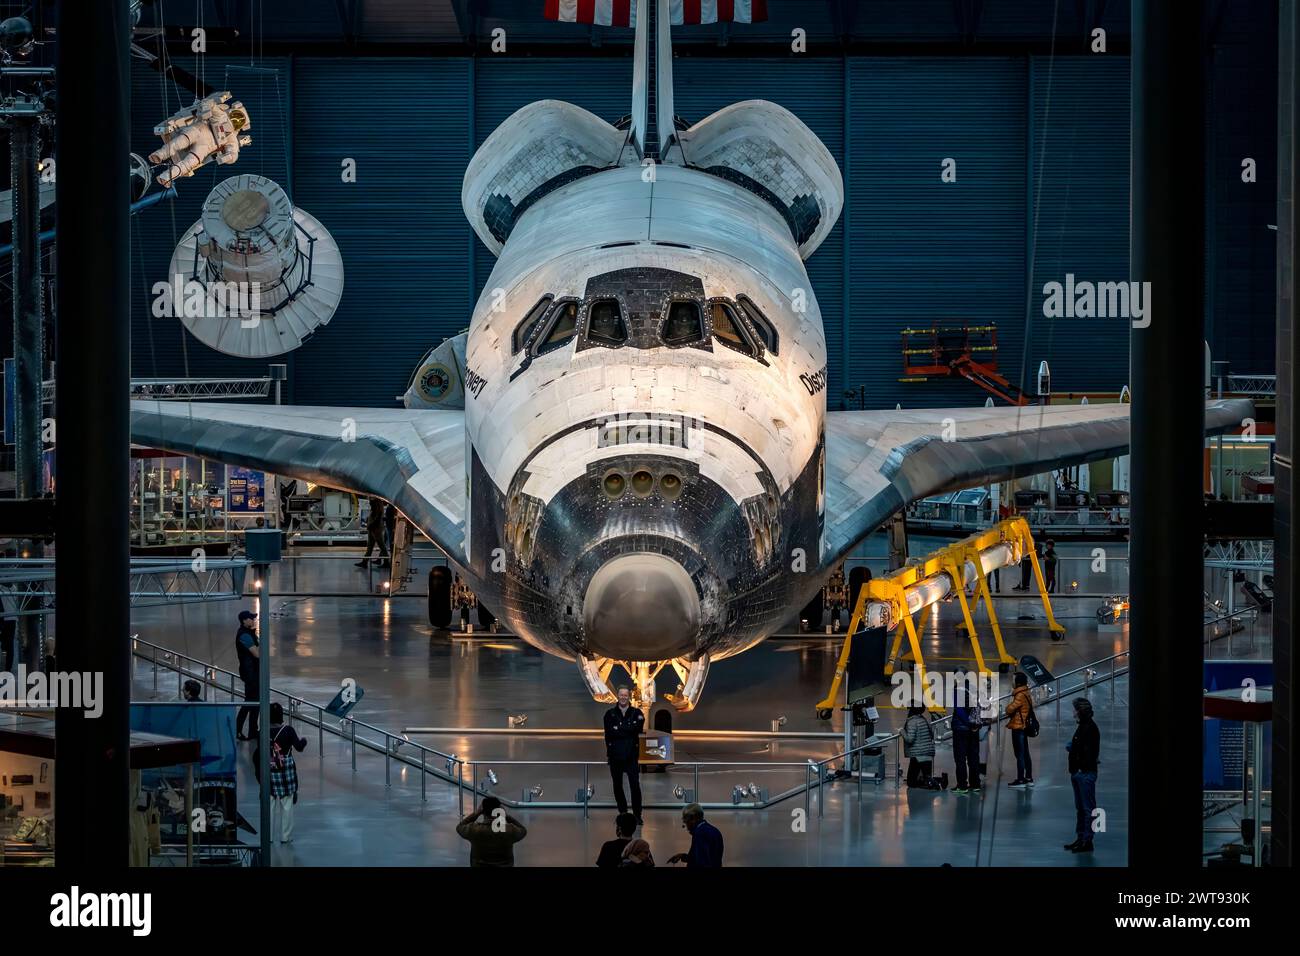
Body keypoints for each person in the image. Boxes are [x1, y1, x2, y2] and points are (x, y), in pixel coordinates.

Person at [254, 702, 308, 843]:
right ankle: (286, 836)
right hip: (286, 771)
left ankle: (269, 836)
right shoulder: (288, 730)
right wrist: (304, 741)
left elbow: (259, 753)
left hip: (268, 770)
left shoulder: (262, 732)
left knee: (269, 804)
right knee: (287, 804)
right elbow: (299, 747)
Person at [603, 685, 645, 824]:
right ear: (618, 696)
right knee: (617, 785)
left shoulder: (637, 713)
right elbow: (609, 733)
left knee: (635, 786)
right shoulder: (610, 714)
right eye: (621, 695)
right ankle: (623, 813)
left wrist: (619, 728)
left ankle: (637, 815)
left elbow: (637, 728)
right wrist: (627, 729)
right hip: (615, 756)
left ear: (629, 696)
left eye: (625, 695)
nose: (623, 697)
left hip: (631, 757)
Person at [1065, 697, 1101, 853]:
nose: (1073, 711)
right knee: (1081, 808)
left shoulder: (1089, 728)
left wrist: (1079, 767)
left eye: (1075, 709)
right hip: (1079, 773)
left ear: (1080, 711)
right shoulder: (1084, 726)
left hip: (1084, 773)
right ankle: (1081, 838)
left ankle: (1088, 840)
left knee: (1088, 808)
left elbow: (1088, 752)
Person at [456, 796, 527, 867]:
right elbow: (523, 830)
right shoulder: (509, 830)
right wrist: (506, 816)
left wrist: (476, 814)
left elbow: (460, 827)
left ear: (482, 811)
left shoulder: (474, 830)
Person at [950, 678, 982, 794]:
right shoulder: (974, 689)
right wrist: (974, 724)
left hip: (960, 729)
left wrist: (967, 723)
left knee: (960, 758)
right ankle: (975, 784)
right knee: (973, 757)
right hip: (974, 729)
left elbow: (958, 710)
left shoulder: (957, 690)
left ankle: (962, 785)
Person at [234, 610, 260, 740]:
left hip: (253, 672)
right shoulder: (244, 635)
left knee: (255, 702)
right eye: (250, 618)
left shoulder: (248, 633)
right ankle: (238, 730)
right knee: (250, 702)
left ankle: (252, 731)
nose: (253, 620)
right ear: (244, 620)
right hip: (250, 674)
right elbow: (257, 654)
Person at [1006, 672, 1035, 787]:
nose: (1011, 682)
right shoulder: (1026, 692)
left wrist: (1008, 706)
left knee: (1020, 754)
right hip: (1023, 726)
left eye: (1013, 680)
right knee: (1025, 753)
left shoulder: (1019, 695)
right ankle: (1028, 777)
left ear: (1018, 682)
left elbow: (1009, 709)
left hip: (1018, 727)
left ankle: (1021, 779)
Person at [901, 705, 938, 788]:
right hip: (928, 753)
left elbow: (909, 739)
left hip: (918, 755)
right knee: (925, 776)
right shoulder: (924, 719)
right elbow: (931, 735)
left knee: (911, 782)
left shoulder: (911, 721)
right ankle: (931, 781)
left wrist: (902, 731)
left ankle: (933, 783)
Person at [356, 496, 389, 568]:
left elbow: (377, 517)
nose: (370, 504)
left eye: (370, 503)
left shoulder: (377, 505)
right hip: (373, 529)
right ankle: (364, 562)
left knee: (381, 546)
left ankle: (387, 562)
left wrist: (371, 525)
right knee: (370, 546)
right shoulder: (377, 505)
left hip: (375, 529)